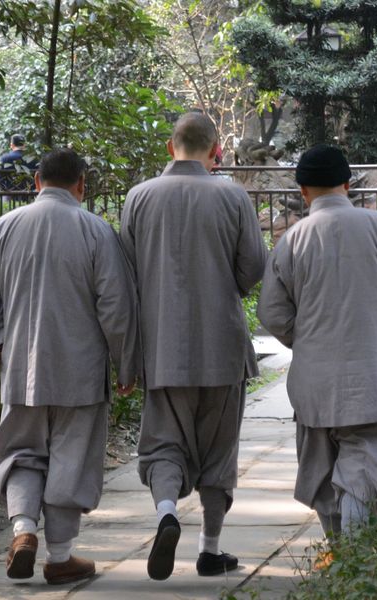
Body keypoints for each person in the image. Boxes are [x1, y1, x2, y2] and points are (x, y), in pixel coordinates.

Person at [0, 148, 141, 585]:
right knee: (71, 458)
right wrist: (125, 364)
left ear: (37, 181)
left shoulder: (6, 226)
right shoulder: (96, 231)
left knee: (21, 453)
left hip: (22, 368)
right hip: (81, 372)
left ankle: (23, 531)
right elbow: (116, 306)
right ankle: (60, 556)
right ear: (82, 185)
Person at [257, 144, 377, 546]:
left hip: (316, 385)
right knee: (366, 476)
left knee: (324, 475)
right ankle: (357, 564)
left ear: (303, 191)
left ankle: (341, 555)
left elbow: (271, 311)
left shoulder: (291, 241)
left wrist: (307, 338)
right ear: (348, 184)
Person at [120, 112, 267, 580]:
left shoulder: (139, 197)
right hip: (222, 347)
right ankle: (210, 549)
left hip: (162, 349)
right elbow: (253, 268)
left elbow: (126, 274)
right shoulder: (232, 196)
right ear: (215, 150)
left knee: (164, 444)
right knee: (219, 451)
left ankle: (167, 512)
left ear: (171, 147)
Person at [0, 133, 38, 201]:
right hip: (29, 195)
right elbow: (37, 177)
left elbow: (0, 180)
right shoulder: (33, 158)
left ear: (12, 145)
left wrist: (6, 191)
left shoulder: (5, 158)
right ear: (24, 145)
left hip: (10, 195)